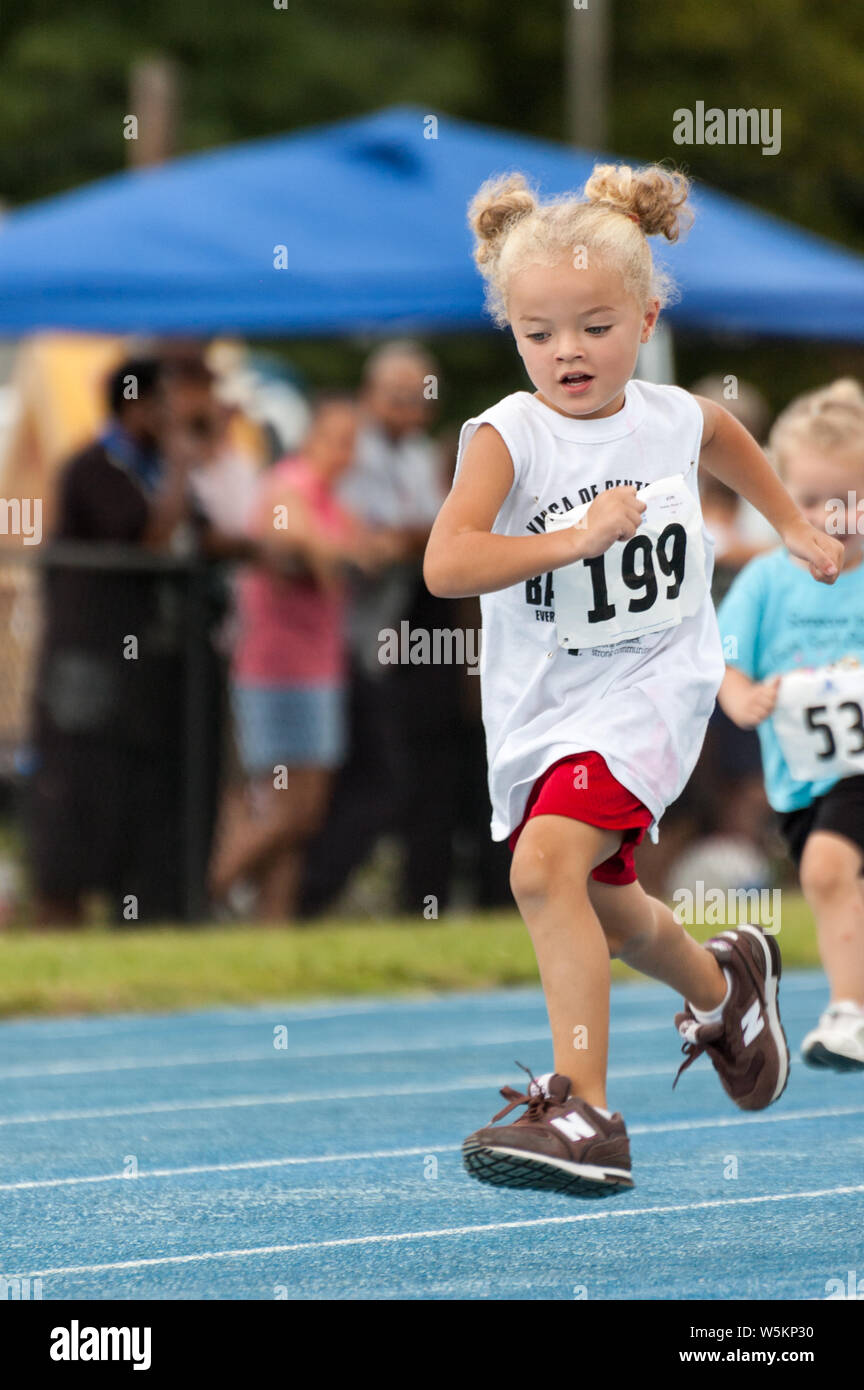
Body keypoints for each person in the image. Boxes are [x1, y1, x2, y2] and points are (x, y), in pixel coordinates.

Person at [423, 163, 844, 1197]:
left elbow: (727, 438)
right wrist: (567, 539)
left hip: (653, 684)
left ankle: (584, 1108)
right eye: (540, 332)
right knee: (604, 906)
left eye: (596, 326)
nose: (569, 351)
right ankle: (727, 986)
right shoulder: (506, 436)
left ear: (647, 316)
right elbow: (447, 564)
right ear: (513, 334)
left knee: (542, 870)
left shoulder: (667, 417)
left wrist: (791, 527)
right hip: (544, 703)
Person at [718, 379, 864, 1070]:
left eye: (848, 499)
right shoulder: (768, 581)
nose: (830, 517)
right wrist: (738, 695)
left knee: (830, 869)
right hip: (801, 778)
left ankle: (849, 1013)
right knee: (826, 870)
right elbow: (720, 657)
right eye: (809, 501)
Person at [208, 392, 400, 921]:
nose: (347, 454)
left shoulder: (324, 496)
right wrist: (331, 552)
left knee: (305, 814)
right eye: (338, 441)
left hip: (317, 670)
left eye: (351, 444)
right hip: (274, 671)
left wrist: (335, 552)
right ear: (312, 439)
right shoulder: (289, 486)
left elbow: (371, 548)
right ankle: (207, 894)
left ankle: (274, 923)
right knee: (280, 808)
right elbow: (292, 535)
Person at [29, 356, 200, 924]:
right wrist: (179, 466)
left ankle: (132, 913)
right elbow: (151, 536)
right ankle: (61, 913)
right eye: (165, 405)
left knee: (129, 795)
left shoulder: (144, 465)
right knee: (78, 791)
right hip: (88, 663)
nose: (175, 418)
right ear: (136, 405)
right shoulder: (94, 467)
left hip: (137, 668)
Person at [298, 342, 449, 917]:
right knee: (351, 783)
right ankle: (296, 895)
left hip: (373, 647)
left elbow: (427, 532)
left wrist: (402, 539)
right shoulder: (348, 447)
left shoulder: (412, 455)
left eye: (420, 398)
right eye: (399, 398)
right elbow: (362, 535)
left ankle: (304, 897)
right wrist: (400, 539)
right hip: (329, 642)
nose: (412, 410)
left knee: (371, 781)